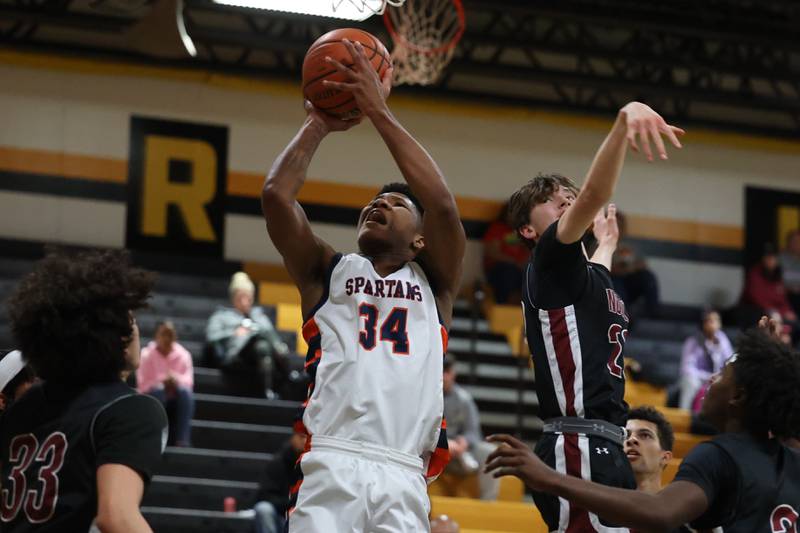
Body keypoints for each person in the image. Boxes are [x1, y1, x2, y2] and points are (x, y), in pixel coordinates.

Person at [262, 38, 465, 532]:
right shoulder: (326, 271)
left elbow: (442, 205)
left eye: (394, 206)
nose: (377, 206)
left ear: (419, 240)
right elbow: (276, 196)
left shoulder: (435, 283)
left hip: (403, 470)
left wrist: (378, 112)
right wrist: (318, 124)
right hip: (332, 458)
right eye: (372, 204)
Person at [506, 101, 683, 532]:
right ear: (530, 231)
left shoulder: (590, 276)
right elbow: (595, 195)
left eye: (570, 200)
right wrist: (624, 121)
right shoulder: (549, 261)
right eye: (556, 203)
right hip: (577, 439)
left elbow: (598, 263)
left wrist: (604, 240)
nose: (569, 206)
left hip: (603, 440)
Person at [485, 328, 800, 532]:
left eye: (721, 374)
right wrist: (772, 371)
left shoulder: (719, 456)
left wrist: (549, 478)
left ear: (739, 396)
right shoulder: (791, 459)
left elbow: (661, 511)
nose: (710, 379)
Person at [1, 249, 167, 532]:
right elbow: (116, 517)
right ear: (117, 335)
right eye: (130, 318)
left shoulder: (23, 409)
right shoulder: (130, 409)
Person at [206, 271, 290, 398]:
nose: (245, 301)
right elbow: (211, 337)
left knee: (263, 345)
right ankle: (285, 369)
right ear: (233, 298)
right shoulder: (221, 316)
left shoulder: (259, 315)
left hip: (259, 354)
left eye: (248, 297)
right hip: (235, 355)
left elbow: (270, 333)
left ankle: (268, 388)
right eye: (241, 297)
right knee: (263, 342)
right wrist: (234, 333)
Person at [442, 354, 499, 500]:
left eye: (447, 372)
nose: (445, 377)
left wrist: (464, 442)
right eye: (442, 372)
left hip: (460, 452)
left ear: (453, 373)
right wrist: (443, 442)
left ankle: (488, 506)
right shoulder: (426, 396)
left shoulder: (464, 399)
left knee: (491, 453)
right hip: (434, 448)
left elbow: (474, 432)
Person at [137, 320, 195, 446]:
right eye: (163, 334)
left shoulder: (184, 355)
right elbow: (142, 385)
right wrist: (162, 381)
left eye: (170, 334)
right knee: (158, 392)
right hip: (156, 397)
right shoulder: (147, 354)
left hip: (176, 397)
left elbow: (189, 383)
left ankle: (182, 440)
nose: (167, 338)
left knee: (185, 393)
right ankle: (156, 440)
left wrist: (175, 380)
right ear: (156, 336)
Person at [678, 310, 734, 412]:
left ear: (720, 323)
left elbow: (730, 361)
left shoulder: (723, 340)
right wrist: (706, 377)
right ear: (703, 324)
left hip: (717, 377)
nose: (712, 323)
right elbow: (687, 368)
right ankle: (684, 415)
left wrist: (720, 376)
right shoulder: (693, 341)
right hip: (698, 379)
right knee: (690, 382)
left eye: (715, 320)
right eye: (709, 320)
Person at [252, 433, 307, 533]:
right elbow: (264, 496)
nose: (304, 441)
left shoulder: (311, 465)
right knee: (263, 509)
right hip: (279, 516)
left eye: (307, 438)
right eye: (301, 437)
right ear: (292, 438)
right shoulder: (277, 463)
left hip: (300, 516)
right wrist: (289, 504)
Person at [610, 211, 660, 319]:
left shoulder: (630, 244)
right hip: (610, 280)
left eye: (620, 224)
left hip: (629, 279)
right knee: (617, 284)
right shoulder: (598, 242)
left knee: (648, 277)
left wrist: (628, 269)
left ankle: (653, 313)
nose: (618, 227)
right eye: (615, 223)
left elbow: (642, 264)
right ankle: (622, 316)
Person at [739, 243, 796, 328]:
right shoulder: (755, 273)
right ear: (763, 259)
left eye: (773, 258)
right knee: (771, 319)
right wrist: (777, 312)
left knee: (795, 323)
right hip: (757, 312)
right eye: (768, 257)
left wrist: (787, 311)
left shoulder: (778, 275)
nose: (771, 260)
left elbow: (782, 299)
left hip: (777, 312)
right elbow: (757, 298)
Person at [482, 202, 529, 304]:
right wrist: (514, 262)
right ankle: (504, 306)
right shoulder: (497, 228)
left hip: (519, 269)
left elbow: (530, 252)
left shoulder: (524, 231)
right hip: (499, 269)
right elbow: (493, 253)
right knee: (508, 273)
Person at [780, 229, 800, 314]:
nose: (796, 244)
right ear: (788, 242)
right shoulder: (780, 259)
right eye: (794, 241)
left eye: (798, 241)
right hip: (785, 296)